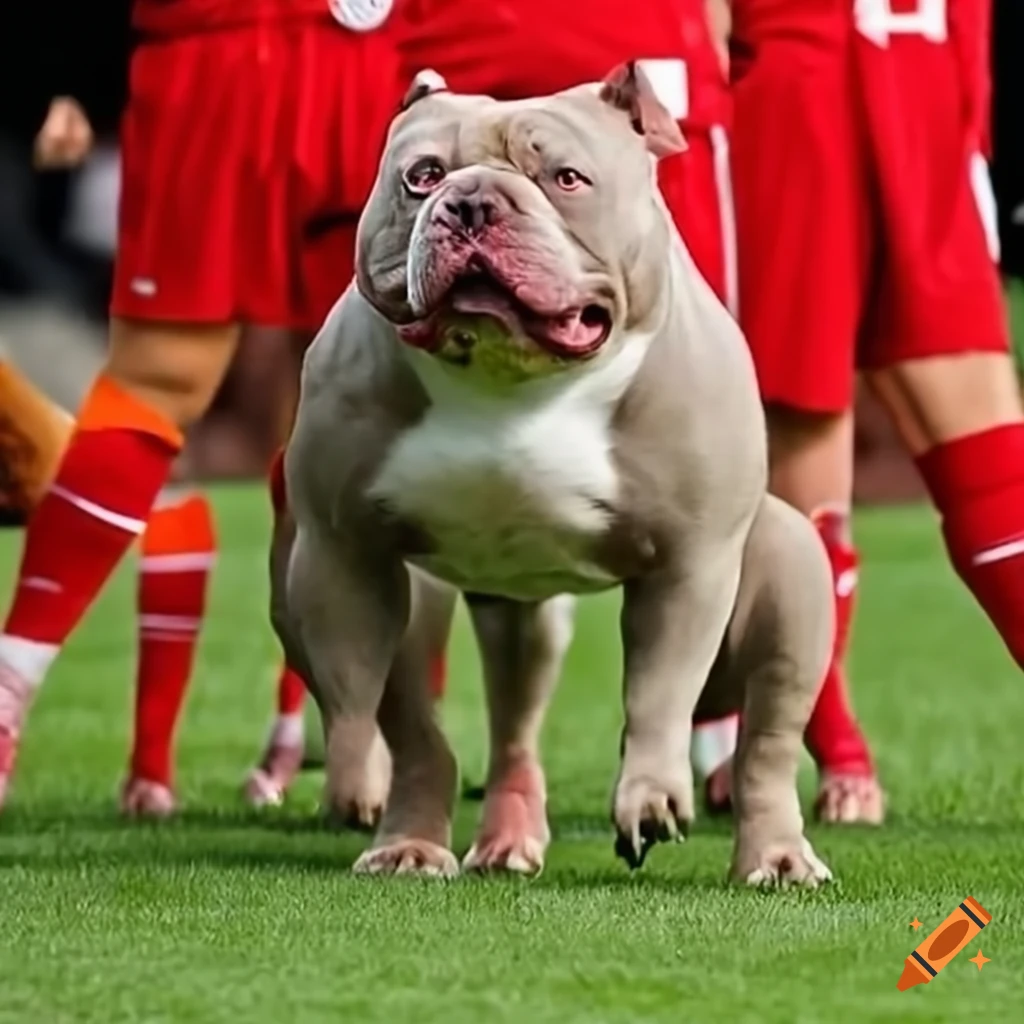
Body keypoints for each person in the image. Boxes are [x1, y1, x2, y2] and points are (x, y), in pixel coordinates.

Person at [0, 0, 407, 814]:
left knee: (315, 389)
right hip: (313, 53)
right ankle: (364, 730)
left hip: (277, 62)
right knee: (354, 390)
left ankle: (347, 724)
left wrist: (57, 72)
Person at [394, 0, 743, 802]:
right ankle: (387, 745)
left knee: (708, 449)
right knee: (375, 440)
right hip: (456, 49)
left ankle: (720, 739)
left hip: (632, 50)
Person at [729, 0, 1015, 822]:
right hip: (810, 76)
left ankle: (787, 739)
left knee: (989, 454)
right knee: (806, 443)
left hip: (902, 72)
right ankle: (823, 742)